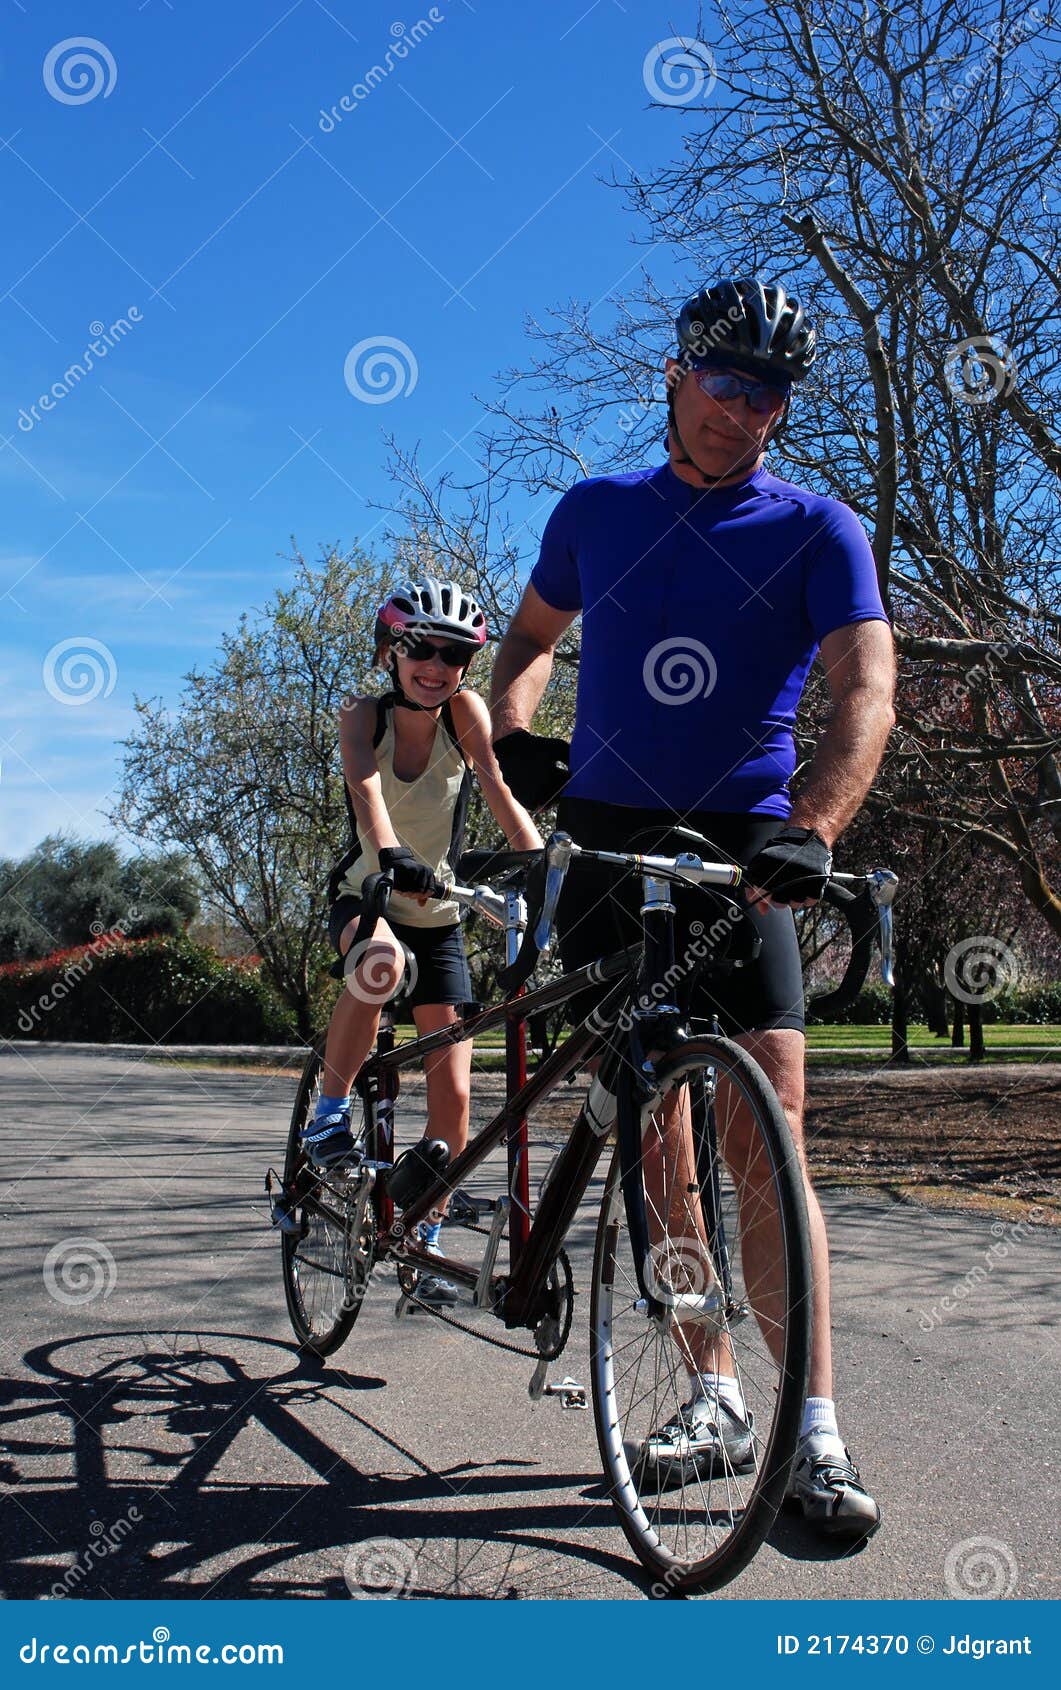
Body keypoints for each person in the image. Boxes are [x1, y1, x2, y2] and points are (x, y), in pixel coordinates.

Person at [489, 277, 895, 1539]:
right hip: (610, 845)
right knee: (654, 1127)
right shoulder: (595, 511)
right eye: (725, 383)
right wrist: (515, 737)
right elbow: (528, 641)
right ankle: (711, 1388)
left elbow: (864, 688)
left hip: (748, 849)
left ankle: (812, 1437)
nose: (744, 413)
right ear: (676, 375)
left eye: (767, 394)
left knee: (765, 1133)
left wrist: (815, 828)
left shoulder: (818, 528)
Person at [310, 577, 541, 1303]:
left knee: (456, 1095)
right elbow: (366, 795)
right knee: (378, 964)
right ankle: (326, 1119)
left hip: (441, 913)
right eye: (420, 650)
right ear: (390, 650)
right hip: (368, 893)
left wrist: (541, 869)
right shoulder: (360, 715)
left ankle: (422, 1239)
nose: (436, 666)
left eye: (453, 655)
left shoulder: (463, 713)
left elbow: (501, 794)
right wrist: (391, 857)